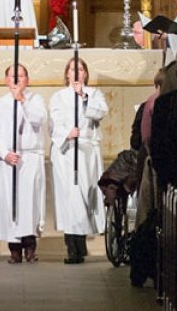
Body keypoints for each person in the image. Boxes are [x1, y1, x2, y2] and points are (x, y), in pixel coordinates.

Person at [0, 63, 48, 263]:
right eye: (13, 76)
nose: (16, 80)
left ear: (27, 80)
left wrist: (22, 101)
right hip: (8, 160)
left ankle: (30, 246)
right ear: (6, 80)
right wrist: (4, 153)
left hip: (29, 158)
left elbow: (39, 120)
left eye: (20, 76)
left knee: (28, 203)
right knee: (10, 203)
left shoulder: (35, 99)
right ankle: (14, 248)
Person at [49, 57, 109, 264]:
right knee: (69, 197)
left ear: (85, 74)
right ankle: (72, 246)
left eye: (81, 69)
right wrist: (67, 132)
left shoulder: (94, 94)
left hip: (86, 151)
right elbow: (54, 122)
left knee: (84, 194)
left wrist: (83, 97)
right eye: (73, 69)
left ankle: (81, 240)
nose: (76, 73)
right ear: (67, 74)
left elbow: (101, 112)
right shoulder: (58, 96)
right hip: (67, 150)